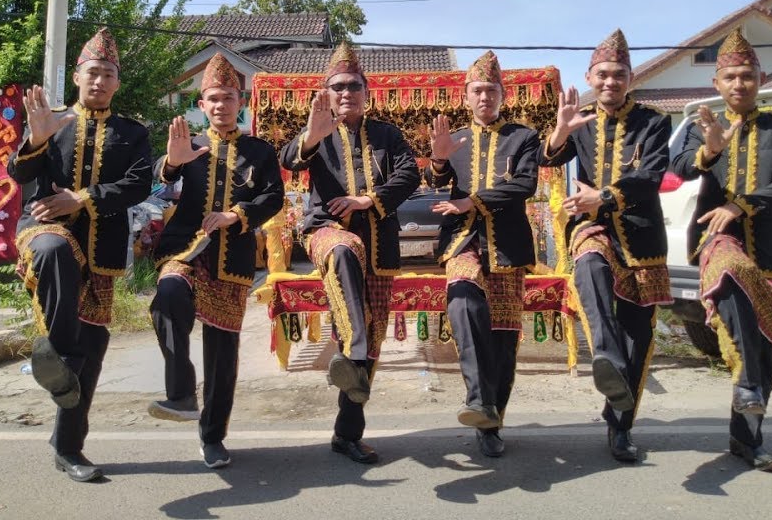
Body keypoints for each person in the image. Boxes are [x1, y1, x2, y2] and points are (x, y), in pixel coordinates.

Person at [8, 27, 152, 482]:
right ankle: (61, 356)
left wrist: (83, 198)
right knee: (54, 248)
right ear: (76, 76)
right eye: (92, 72)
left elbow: (138, 184)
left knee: (93, 346)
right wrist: (35, 141)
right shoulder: (48, 121)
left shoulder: (132, 133)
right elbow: (20, 174)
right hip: (44, 233)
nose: (99, 81)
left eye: (108, 74)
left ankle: (68, 446)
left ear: (117, 82)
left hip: (102, 254)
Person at [670, 27, 772, 472]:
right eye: (730, 77)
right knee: (729, 270)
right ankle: (747, 382)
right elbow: (680, 168)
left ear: (760, 79)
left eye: (746, 76)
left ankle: (747, 441)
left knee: (765, 342)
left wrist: (742, 204)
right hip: (717, 240)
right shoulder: (702, 125)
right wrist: (710, 150)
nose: (738, 84)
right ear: (717, 83)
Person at [280, 42, 420, 464]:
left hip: (381, 248)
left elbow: (410, 173)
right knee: (344, 248)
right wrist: (311, 135)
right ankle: (352, 343)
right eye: (337, 87)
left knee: (370, 348)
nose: (345, 94)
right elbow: (287, 158)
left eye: (353, 87)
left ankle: (347, 433)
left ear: (366, 90)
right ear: (326, 92)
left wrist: (367, 201)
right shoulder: (316, 131)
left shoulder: (386, 134)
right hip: (326, 231)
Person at [146, 52, 285, 469]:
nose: (220, 105)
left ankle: (212, 436)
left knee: (223, 354)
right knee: (169, 294)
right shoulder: (192, 145)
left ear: (239, 102)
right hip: (186, 249)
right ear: (201, 105)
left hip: (233, 257)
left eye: (228, 97)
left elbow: (273, 197)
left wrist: (236, 216)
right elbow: (163, 175)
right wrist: (171, 161)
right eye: (212, 98)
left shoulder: (260, 151)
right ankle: (181, 389)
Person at [539, 29, 672, 463]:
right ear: (590, 77)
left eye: (618, 75)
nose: (610, 82)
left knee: (639, 336)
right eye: (603, 75)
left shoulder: (654, 121)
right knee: (590, 263)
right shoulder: (581, 121)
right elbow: (547, 159)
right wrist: (560, 131)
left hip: (642, 238)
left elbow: (650, 175)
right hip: (592, 226)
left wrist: (606, 195)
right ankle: (605, 354)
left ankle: (620, 426)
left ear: (630, 77)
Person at [425, 50, 540, 458]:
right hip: (461, 241)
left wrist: (472, 201)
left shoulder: (523, 137)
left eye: (491, 90)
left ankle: (492, 422)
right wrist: (439, 156)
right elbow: (435, 180)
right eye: (477, 90)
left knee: (504, 341)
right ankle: (477, 396)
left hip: (508, 246)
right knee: (462, 295)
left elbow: (525, 185)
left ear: (502, 94)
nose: (484, 96)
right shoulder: (456, 137)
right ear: (466, 95)